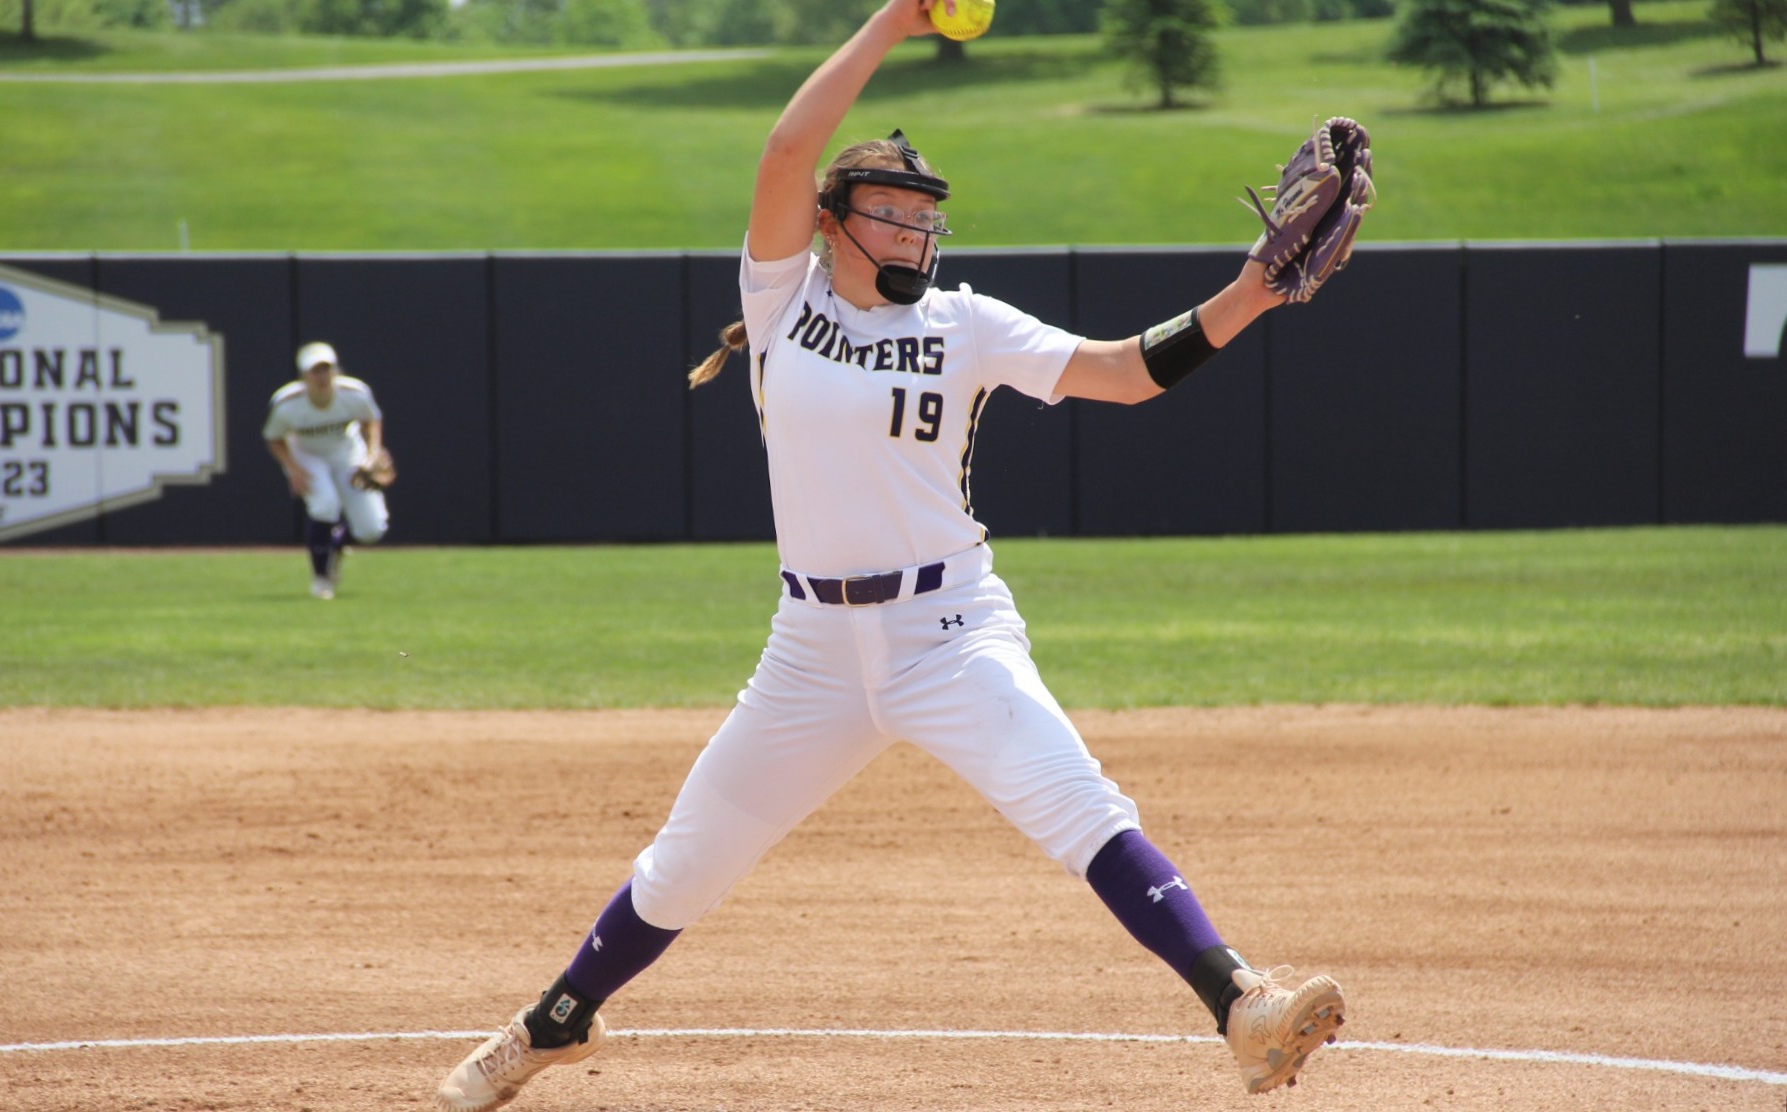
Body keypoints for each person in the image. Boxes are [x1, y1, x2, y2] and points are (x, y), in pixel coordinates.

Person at [432, 0, 1346, 1106]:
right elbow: (782, 149)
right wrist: (891, 23)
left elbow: (1122, 370)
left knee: (1076, 799)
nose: (915, 235)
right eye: (891, 215)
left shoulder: (965, 323)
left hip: (947, 628)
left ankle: (1240, 1005)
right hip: (810, 649)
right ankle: (554, 1021)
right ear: (832, 222)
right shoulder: (779, 303)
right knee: (687, 859)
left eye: (925, 221)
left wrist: (1251, 292)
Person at [262, 341, 390, 600]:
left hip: (346, 451)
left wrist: (373, 452)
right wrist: (293, 468)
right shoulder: (287, 402)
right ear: (303, 376)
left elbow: (371, 419)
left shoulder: (354, 393)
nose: (322, 377)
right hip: (307, 454)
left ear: (336, 370)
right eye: (315, 371)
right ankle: (322, 579)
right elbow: (274, 438)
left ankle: (336, 541)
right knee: (324, 505)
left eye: (327, 369)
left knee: (371, 529)